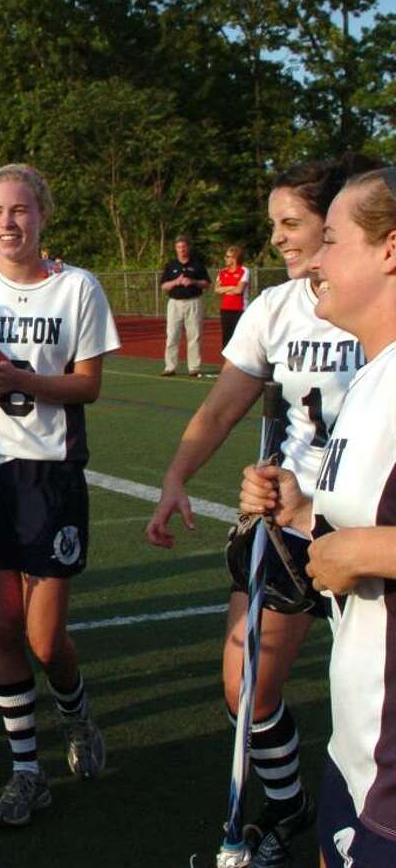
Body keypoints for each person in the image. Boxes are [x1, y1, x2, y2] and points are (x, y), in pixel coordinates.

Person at [145, 154, 382, 867]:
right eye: (273, 223)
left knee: (368, 686)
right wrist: (176, 477)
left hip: (368, 521)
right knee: (246, 684)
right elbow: (223, 404)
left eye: (294, 223)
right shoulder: (275, 309)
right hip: (287, 521)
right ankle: (290, 807)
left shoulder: (377, 311)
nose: (277, 237)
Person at [0, 163, 119, 827]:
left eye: (18, 210)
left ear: (43, 215)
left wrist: (25, 378)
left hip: (51, 473)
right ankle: (25, 771)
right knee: (6, 627)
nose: (5, 223)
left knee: (47, 638)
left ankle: (75, 714)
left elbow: (88, 386)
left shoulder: (78, 289)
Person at [238, 166, 396, 868]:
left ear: (390, 249)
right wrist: (302, 510)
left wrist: (364, 551)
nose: (316, 259)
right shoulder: (368, 374)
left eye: (332, 239)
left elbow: (367, 547)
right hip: (356, 746)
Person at [160, 234, 211, 376]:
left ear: (188, 248)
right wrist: (176, 282)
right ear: (176, 249)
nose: (181, 250)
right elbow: (164, 285)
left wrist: (193, 281)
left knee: (194, 335)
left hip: (193, 302)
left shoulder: (197, 264)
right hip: (175, 303)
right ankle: (170, 366)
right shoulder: (171, 265)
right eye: (178, 247)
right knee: (172, 335)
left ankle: (194, 367)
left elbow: (206, 283)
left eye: (184, 247)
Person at [215, 245, 251, 349]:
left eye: (227, 256)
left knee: (240, 337)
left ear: (234, 258)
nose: (225, 258)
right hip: (225, 309)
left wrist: (225, 289)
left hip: (240, 309)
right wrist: (231, 287)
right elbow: (217, 289)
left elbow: (239, 290)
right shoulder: (222, 272)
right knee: (226, 338)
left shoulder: (244, 271)